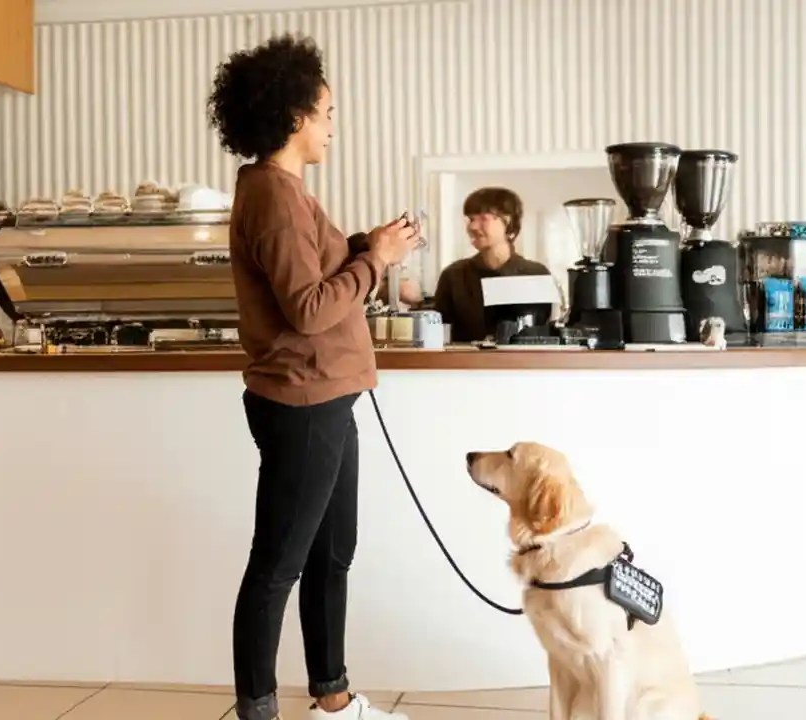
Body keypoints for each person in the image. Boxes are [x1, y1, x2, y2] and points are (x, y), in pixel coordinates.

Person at [207, 34, 417, 720]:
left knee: (332, 554)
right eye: (327, 110)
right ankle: (258, 709)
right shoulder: (272, 195)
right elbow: (308, 308)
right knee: (277, 567)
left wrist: (361, 247)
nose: (333, 123)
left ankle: (333, 697)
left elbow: (314, 272)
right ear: (295, 116)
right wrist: (376, 259)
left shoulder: (285, 193)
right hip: (302, 404)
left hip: (327, 397)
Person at [434, 187, 553, 342]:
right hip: (466, 365)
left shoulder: (536, 274)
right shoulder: (454, 276)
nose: (472, 227)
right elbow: (439, 334)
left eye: (483, 218)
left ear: (508, 220)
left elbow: (542, 332)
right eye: (470, 219)